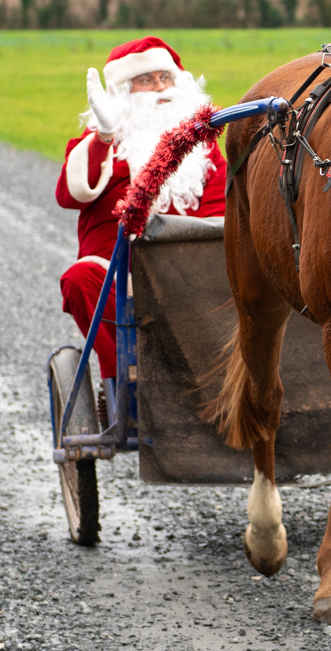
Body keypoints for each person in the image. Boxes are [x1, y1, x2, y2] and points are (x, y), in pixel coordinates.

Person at [56, 36, 225, 397]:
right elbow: (69, 195)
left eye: (165, 77)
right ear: (122, 92)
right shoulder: (100, 143)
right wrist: (103, 135)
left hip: (188, 269)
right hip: (118, 272)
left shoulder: (205, 147)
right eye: (146, 81)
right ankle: (126, 374)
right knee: (79, 279)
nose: (160, 88)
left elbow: (219, 213)